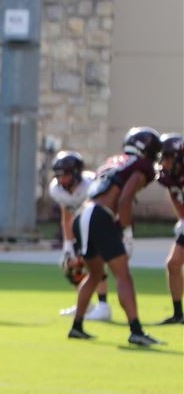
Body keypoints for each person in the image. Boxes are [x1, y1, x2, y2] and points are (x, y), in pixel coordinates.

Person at [65, 127, 162, 345]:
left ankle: (77, 326)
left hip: (83, 215)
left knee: (95, 274)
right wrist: (126, 233)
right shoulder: (140, 167)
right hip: (100, 216)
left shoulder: (112, 162)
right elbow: (124, 200)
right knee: (123, 275)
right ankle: (136, 331)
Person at [49, 151, 109, 321]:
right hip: (80, 228)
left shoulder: (91, 185)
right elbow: (66, 216)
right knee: (69, 265)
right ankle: (86, 304)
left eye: (65, 175)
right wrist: (68, 245)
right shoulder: (57, 190)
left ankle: (103, 306)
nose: (61, 180)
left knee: (95, 263)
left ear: (75, 173)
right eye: (58, 176)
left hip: (100, 226)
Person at [153, 133, 184, 325]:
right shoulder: (172, 178)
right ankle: (178, 314)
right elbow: (175, 196)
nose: (163, 162)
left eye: (167, 157)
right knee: (173, 264)